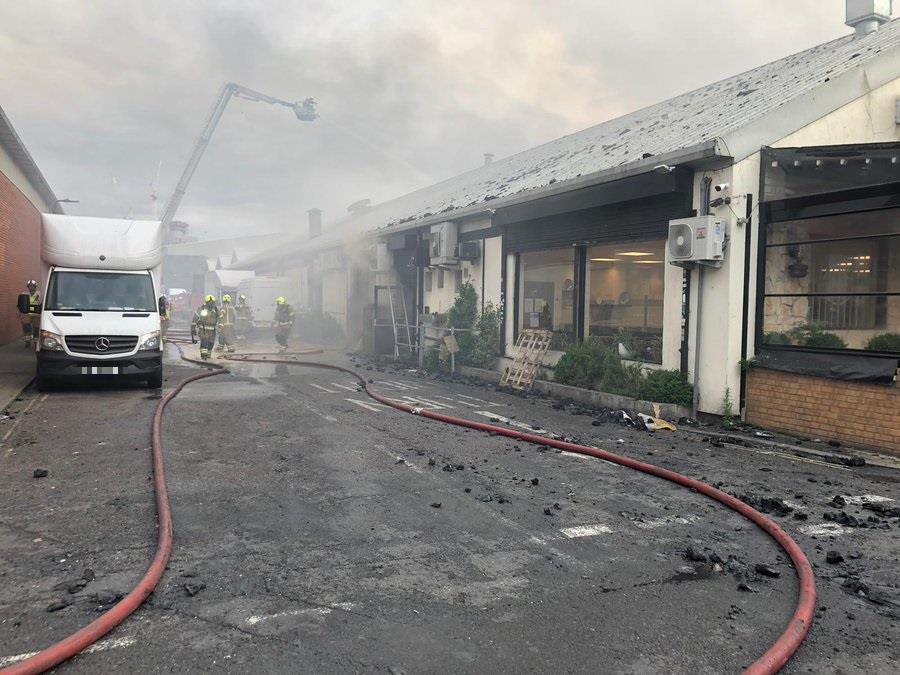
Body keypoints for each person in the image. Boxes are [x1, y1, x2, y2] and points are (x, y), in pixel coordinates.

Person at [192, 295, 219, 360]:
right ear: (206, 302)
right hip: (203, 330)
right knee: (204, 342)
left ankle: (208, 357)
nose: (211, 304)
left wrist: (220, 326)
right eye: (209, 302)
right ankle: (203, 357)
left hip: (212, 331)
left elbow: (219, 318)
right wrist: (193, 329)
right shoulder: (201, 309)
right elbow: (195, 319)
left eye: (212, 302)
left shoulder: (215, 309)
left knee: (211, 344)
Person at [19, 280, 41, 347]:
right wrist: (19, 311)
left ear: (35, 286)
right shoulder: (24, 293)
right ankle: (27, 341)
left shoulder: (40, 294)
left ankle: (36, 342)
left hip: (36, 314)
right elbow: (20, 303)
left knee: (36, 329)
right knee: (26, 327)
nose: (31, 287)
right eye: (29, 286)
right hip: (27, 314)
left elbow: (42, 303)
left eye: (32, 286)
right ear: (27, 287)